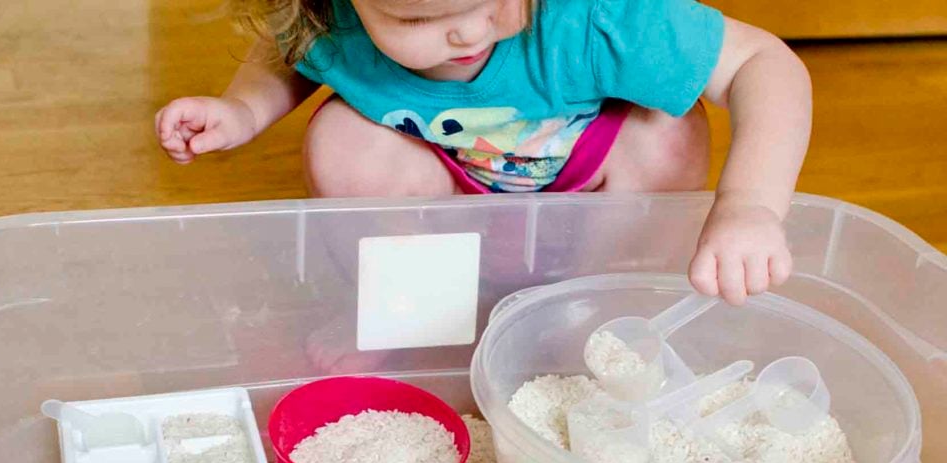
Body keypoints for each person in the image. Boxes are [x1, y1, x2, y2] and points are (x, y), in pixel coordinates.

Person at [156, 0, 810, 307]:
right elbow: (293, 46)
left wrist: (750, 205)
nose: (469, 29)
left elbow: (765, 63)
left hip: (596, 173)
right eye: (415, 21)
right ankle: (415, 314)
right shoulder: (329, 18)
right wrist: (242, 109)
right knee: (339, 139)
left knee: (667, 130)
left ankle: (601, 303)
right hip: (447, 174)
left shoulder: (597, 15)